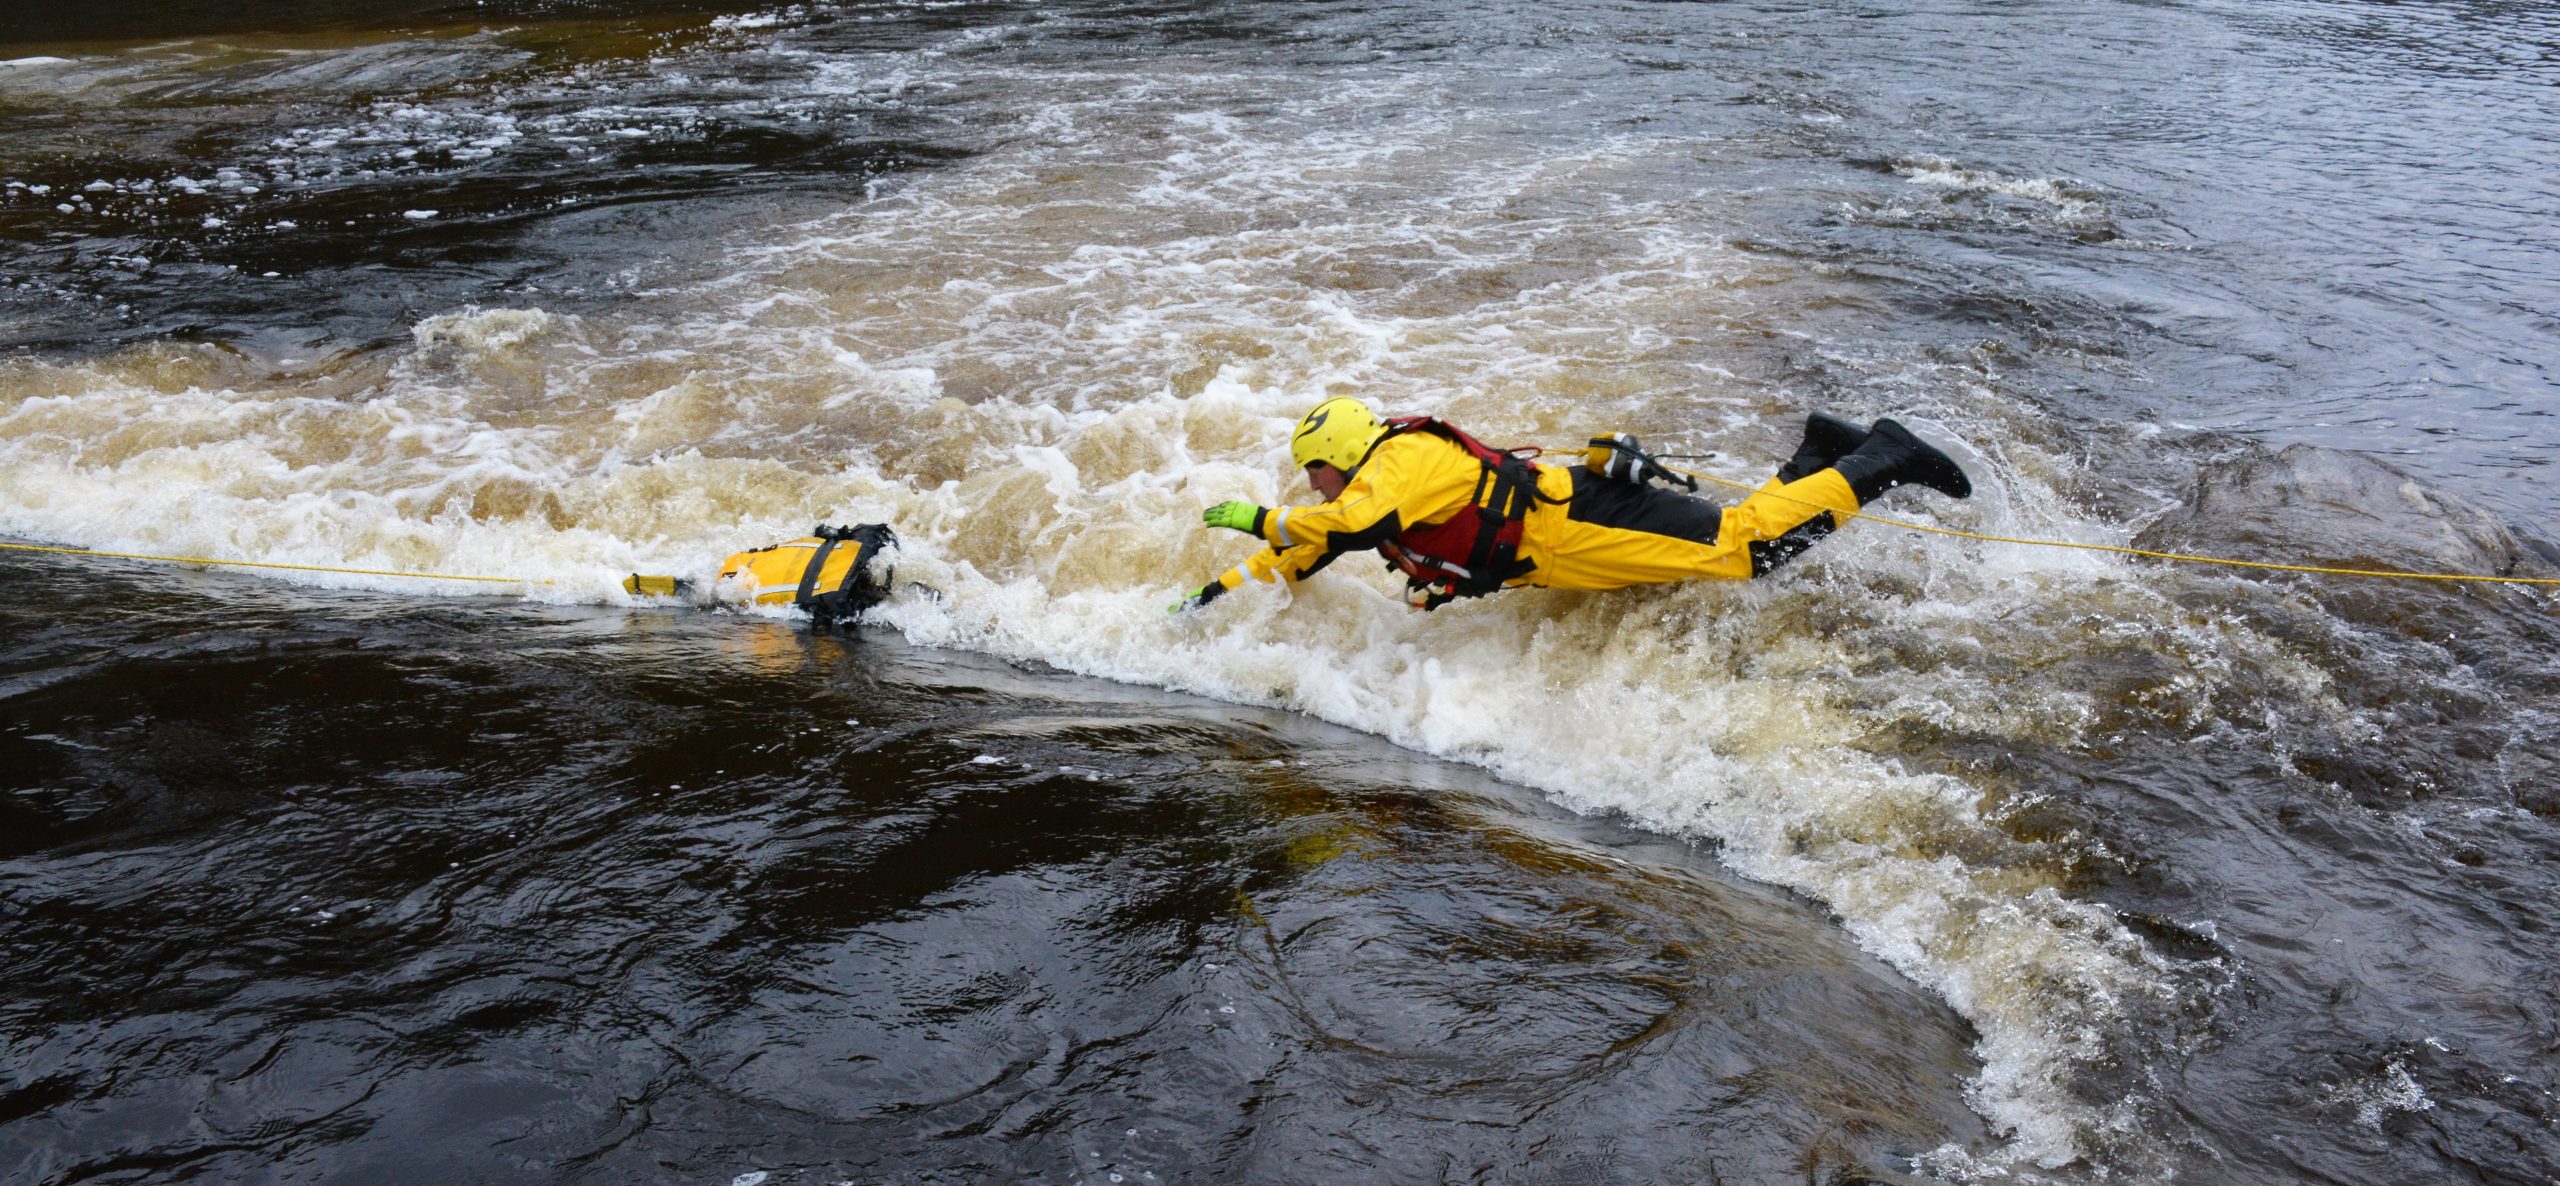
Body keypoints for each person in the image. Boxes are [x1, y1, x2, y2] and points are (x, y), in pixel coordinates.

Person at [1172, 397, 1969, 613]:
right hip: (1566, 535)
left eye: (1314, 469)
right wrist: (1217, 594)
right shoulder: (1377, 484)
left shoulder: (1398, 462)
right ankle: (1821, 453)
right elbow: (1307, 550)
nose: (1312, 485)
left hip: (1575, 522)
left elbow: (1350, 525)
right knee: (1741, 545)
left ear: (1342, 452)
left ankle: (1881, 457)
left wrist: (1260, 517)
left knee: (1747, 551)